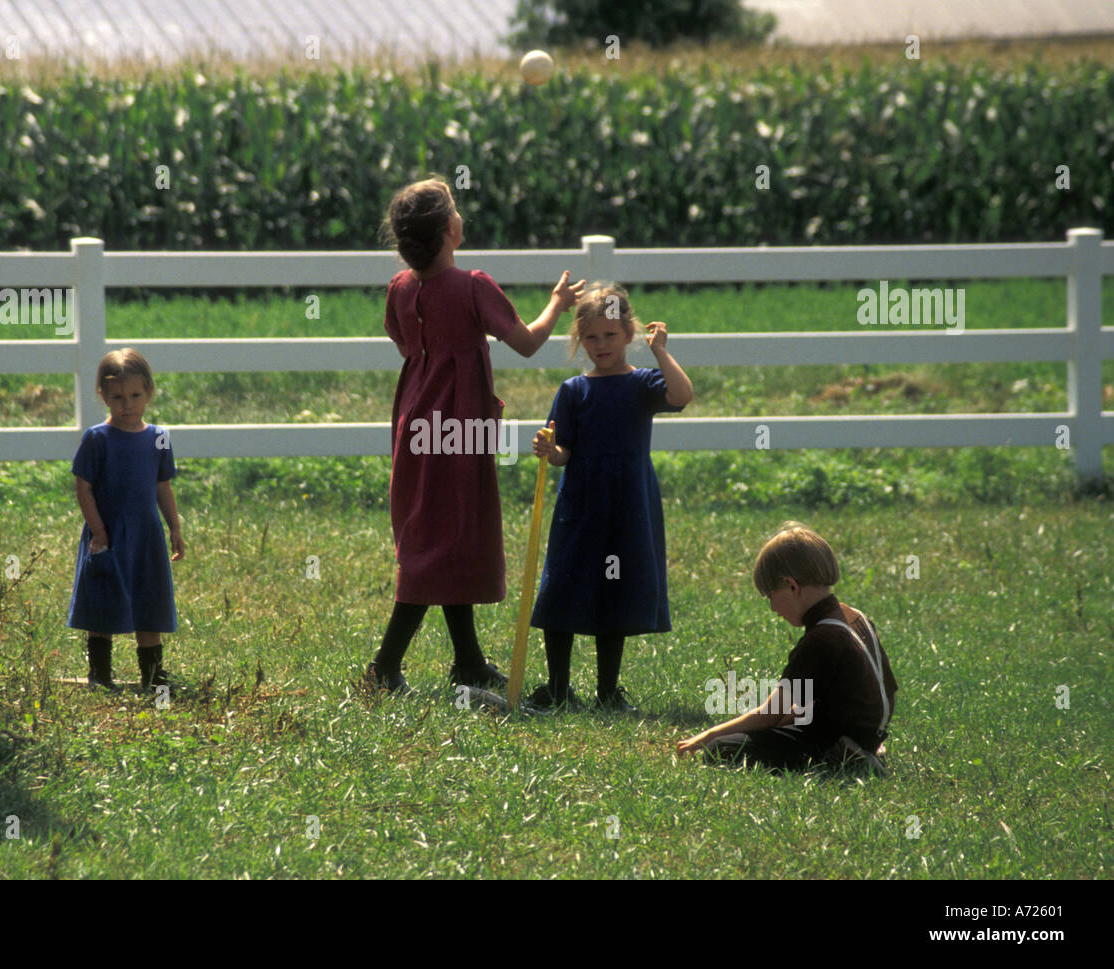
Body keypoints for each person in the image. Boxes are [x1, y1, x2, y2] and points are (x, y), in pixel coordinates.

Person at [366, 175, 585, 693]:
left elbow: (400, 340)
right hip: (459, 427)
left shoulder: (401, 287)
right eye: (456, 210)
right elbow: (527, 344)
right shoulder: (472, 287)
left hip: (415, 424)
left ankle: (467, 660)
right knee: (443, 538)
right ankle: (384, 666)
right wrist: (557, 303)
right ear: (449, 229)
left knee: (443, 533)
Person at [527, 284, 693, 712]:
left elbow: (682, 395)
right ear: (580, 340)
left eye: (611, 335)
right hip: (580, 507)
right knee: (563, 586)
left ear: (629, 335)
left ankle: (607, 691)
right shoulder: (573, 391)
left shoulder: (642, 384)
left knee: (613, 586)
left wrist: (661, 352)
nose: (601, 345)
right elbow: (564, 451)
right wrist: (552, 451)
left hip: (627, 506)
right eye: (592, 337)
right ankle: (559, 687)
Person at [674, 522, 896, 774]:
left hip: (834, 737)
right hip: (868, 733)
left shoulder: (822, 639)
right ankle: (863, 749)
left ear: (792, 586)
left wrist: (708, 734)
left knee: (721, 748)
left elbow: (771, 713)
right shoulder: (853, 617)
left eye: (770, 596)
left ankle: (846, 757)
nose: (772, 609)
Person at [67, 348, 185, 692]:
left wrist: (174, 526)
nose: (127, 404)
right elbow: (83, 487)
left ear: (148, 392)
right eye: (118, 397)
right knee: (102, 599)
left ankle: (153, 676)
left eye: (135, 395)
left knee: (150, 599)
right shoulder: (97, 439)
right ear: (103, 395)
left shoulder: (159, 437)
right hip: (109, 534)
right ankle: (100, 676)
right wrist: (99, 531)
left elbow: (162, 485)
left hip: (146, 535)